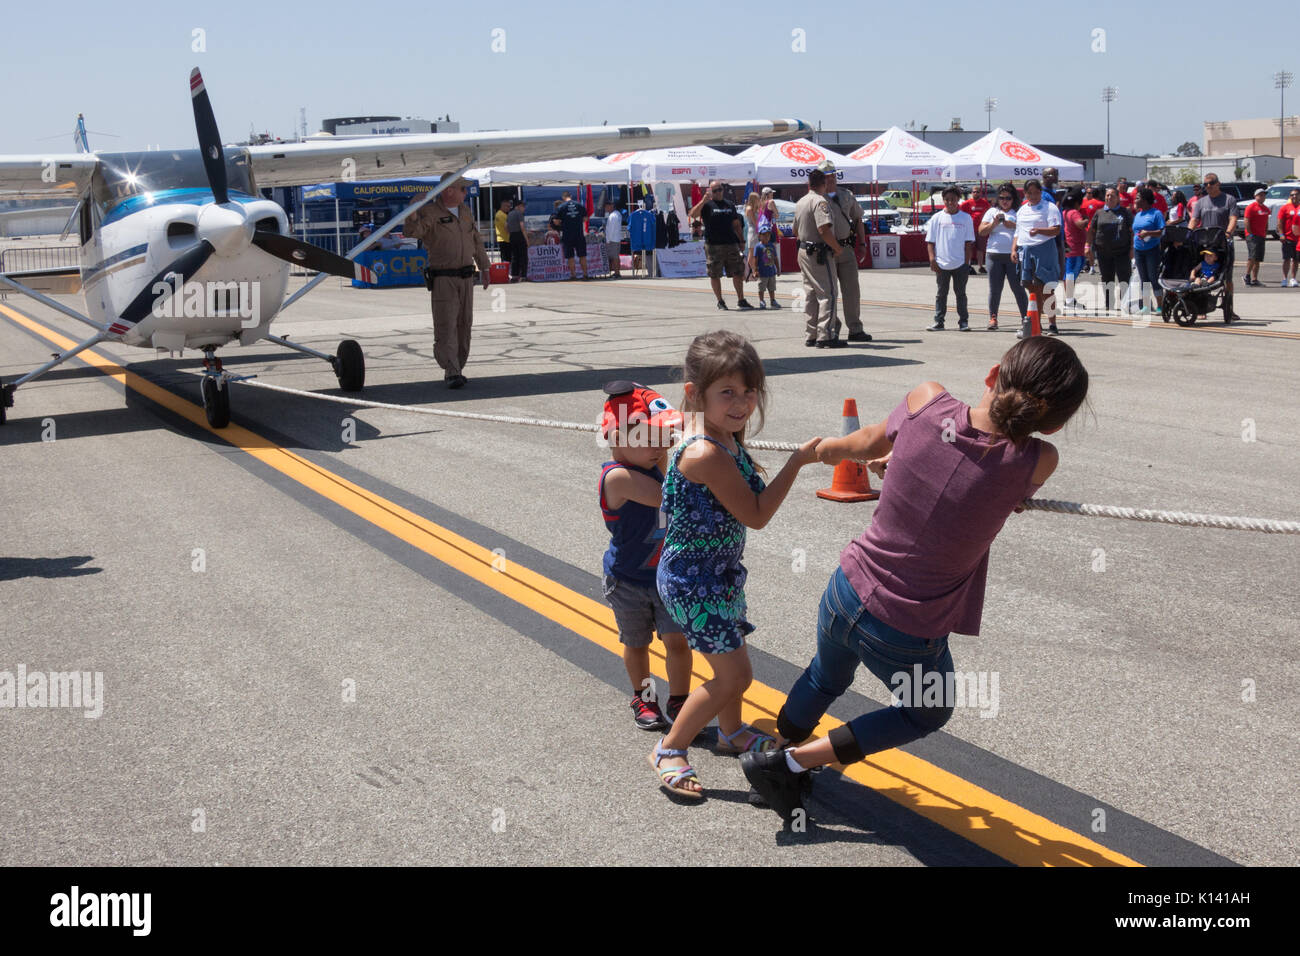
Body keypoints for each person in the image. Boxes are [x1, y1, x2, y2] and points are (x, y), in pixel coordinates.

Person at [742, 337, 1090, 822]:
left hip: (847, 586)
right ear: (1054, 422)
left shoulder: (927, 400)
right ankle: (790, 762)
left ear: (992, 375)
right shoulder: (1038, 461)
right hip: (906, 626)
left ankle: (777, 751)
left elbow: (862, 444)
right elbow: (981, 486)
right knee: (928, 710)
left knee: (825, 675)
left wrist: (821, 453)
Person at [651, 331, 821, 797]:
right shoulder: (705, 451)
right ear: (695, 393)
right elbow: (757, 515)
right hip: (693, 584)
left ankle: (730, 732)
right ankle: (670, 748)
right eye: (727, 392)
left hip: (717, 576)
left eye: (749, 391)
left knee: (733, 661)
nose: (742, 402)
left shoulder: (719, 434)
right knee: (735, 674)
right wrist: (797, 462)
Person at [598, 382, 692, 732]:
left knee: (677, 642)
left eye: (663, 439)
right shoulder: (618, 477)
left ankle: (680, 699)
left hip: (665, 576)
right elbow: (670, 498)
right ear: (618, 437)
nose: (662, 446)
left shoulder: (650, 459)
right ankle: (644, 695)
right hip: (628, 580)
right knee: (636, 644)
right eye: (651, 439)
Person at [402, 175, 490, 390]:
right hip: (444, 278)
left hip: (467, 277)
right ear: (449, 190)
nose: (466, 193)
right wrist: (413, 208)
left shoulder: (465, 211)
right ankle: (451, 370)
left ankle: (459, 365)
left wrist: (485, 267)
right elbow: (412, 231)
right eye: (462, 189)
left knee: (464, 324)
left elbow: (475, 239)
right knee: (446, 325)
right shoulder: (430, 211)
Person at [793, 168, 845, 347]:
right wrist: (837, 248)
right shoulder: (819, 201)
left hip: (803, 250)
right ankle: (826, 335)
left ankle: (811, 334)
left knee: (810, 294)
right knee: (827, 293)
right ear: (823, 184)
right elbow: (824, 229)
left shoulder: (801, 201)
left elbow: (794, 230)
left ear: (809, 184)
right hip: (819, 252)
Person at [821, 162, 872, 341]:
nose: (831, 179)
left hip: (847, 248)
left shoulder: (846, 195)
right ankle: (833, 327)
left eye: (833, 175)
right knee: (829, 292)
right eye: (827, 176)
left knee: (852, 290)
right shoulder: (818, 198)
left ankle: (855, 328)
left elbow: (858, 219)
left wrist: (862, 243)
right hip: (827, 251)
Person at [689, 181, 754, 310]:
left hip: (731, 243)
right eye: (715, 191)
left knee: (737, 272)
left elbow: (736, 224)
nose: (718, 192)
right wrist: (703, 201)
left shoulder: (729, 204)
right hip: (713, 245)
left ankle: (741, 300)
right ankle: (720, 301)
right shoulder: (707, 205)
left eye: (720, 189)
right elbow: (692, 215)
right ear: (710, 192)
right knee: (715, 274)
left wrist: (741, 240)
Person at [1010, 178, 1062, 336]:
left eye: (1036, 192)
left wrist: (1040, 231)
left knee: (1046, 289)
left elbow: (1056, 230)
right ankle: (1035, 323)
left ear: (1041, 192)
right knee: (1031, 288)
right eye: (1029, 193)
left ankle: (1052, 324)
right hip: (1025, 251)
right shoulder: (1022, 210)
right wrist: (1013, 249)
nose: (1033, 196)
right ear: (1025, 194)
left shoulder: (1050, 207)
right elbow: (1018, 232)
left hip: (1044, 249)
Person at [1188, 174, 1239, 322]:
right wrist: (1188, 234)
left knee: (1226, 278)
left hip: (1224, 245)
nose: (1208, 186)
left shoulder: (1229, 200)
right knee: (1203, 275)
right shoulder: (1200, 202)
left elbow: (1233, 218)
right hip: (1206, 245)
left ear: (1218, 183)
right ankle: (1201, 307)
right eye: (1206, 184)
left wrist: (1228, 233)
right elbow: (1194, 220)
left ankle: (1229, 307)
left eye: (1211, 183)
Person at [924, 185, 975, 331]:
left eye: (953, 199)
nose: (950, 202)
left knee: (961, 294)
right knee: (941, 294)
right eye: (947, 199)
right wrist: (932, 260)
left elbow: (968, 243)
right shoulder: (936, 218)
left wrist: (966, 264)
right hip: (941, 264)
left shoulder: (965, 218)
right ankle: (939, 321)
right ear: (943, 200)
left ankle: (963, 322)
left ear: (958, 199)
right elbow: (930, 242)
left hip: (960, 264)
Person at [979, 182, 1028, 331]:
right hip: (994, 255)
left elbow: (1026, 229)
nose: (1004, 201)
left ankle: (1026, 318)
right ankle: (993, 317)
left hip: (1013, 256)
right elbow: (981, 231)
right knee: (995, 289)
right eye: (1001, 198)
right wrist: (994, 223)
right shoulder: (991, 212)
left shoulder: (1018, 212)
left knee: (1018, 288)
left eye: (1008, 198)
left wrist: (1011, 225)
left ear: (1013, 199)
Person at [1085, 187, 1133, 313]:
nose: (1109, 198)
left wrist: (1132, 249)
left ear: (1118, 198)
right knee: (1107, 278)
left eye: (1112, 195)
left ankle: (1124, 303)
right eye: (1107, 195)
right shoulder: (1099, 213)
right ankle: (1109, 303)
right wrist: (1087, 246)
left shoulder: (1125, 212)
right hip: (1103, 252)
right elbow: (1091, 230)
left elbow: (1132, 231)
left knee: (1124, 277)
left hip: (1122, 251)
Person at [1131, 187, 1166, 315]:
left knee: (1153, 277)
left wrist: (1148, 233)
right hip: (1138, 250)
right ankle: (1146, 306)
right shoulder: (1138, 214)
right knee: (1143, 278)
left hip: (1152, 250)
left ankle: (1160, 306)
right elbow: (1134, 232)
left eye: (1138, 198)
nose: (1135, 200)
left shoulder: (1156, 213)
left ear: (1145, 200)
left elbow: (1162, 231)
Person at [1060, 189, 1089, 310]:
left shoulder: (1065, 212)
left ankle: (1069, 299)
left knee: (1069, 274)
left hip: (1069, 248)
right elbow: (1080, 224)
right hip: (1075, 249)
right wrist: (1087, 220)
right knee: (1071, 275)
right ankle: (1069, 300)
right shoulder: (1074, 213)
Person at [555, 190, 589, 280]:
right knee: (582, 255)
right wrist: (577, 220)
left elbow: (556, 221)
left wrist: (564, 222)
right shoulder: (579, 205)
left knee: (570, 256)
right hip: (579, 234)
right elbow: (586, 218)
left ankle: (573, 275)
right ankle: (585, 274)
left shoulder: (561, 207)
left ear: (563, 198)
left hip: (567, 235)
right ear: (571, 196)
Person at [959, 184, 991, 274]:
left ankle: (981, 266)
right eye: (974, 192)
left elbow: (990, 214)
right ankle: (967, 265)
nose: (976, 193)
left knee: (980, 249)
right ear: (971, 193)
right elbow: (959, 214)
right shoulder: (966, 203)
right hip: (970, 230)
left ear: (980, 193)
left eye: (977, 192)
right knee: (968, 248)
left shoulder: (985, 203)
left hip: (981, 230)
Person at [750, 218, 781, 309]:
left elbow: (775, 258)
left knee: (772, 288)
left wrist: (778, 269)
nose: (766, 237)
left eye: (768, 235)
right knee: (761, 288)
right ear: (759, 236)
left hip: (771, 271)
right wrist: (755, 270)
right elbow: (755, 259)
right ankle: (762, 301)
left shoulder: (771, 245)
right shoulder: (758, 247)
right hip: (762, 272)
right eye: (764, 235)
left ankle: (773, 300)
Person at [1242, 188, 1269, 286]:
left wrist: (1265, 232)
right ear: (1255, 196)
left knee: (1258, 259)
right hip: (1253, 236)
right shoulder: (1251, 207)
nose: (1262, 197)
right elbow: (1246, 221)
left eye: (1263, 195)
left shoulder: (1266, 209)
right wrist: (1250, 233)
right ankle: (1247, 276)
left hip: (1261, 235)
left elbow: (1266, 222)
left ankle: (1254, 279)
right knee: (1252, 256)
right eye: (1260, 195)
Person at [1276, 189, 1300, 287]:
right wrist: (1281, 234)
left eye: (1296, 194)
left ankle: (1293, 278)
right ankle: (1284, 279)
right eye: (1292, 195)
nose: (1294, 196)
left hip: (1298, 239)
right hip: (1287, 238)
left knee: (1296, 260)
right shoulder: (1284, 208)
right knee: (1286, 259)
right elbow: (1280, 222)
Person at [506, 198, 529, 281]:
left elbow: (506, 227)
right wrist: (527, 239)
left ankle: (514, 275)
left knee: (514, 257)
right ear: (519, 206)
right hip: (520, 235)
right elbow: (522, 227)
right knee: (523, 256)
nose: (524, 209)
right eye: (523, 207)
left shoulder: (509, 214)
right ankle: (523, 276)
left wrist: (510, 235)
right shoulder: (519, 214)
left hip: (512, 236)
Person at [602, 197, 623, 279]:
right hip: (616, 239)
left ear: (611, 206)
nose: (605, 208)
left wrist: (608, 240)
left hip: (613, 239)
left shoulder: (613, 216)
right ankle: (617, 272)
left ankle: (617, 273)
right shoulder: (617, 214)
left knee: (615, 257)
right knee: (616, 257)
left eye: (606, 206)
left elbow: (611, 229)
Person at [494, 197, 512, 273]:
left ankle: (506, 272)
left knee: (506, 258)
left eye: (509, 206)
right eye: (507, 206)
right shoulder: (501, 215)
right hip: (504, 239)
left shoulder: (501, 214)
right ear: (503, 206)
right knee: (506, 258)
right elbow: (507, 227)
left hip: (504, 239)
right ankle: (505, 273)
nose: (509, 208)